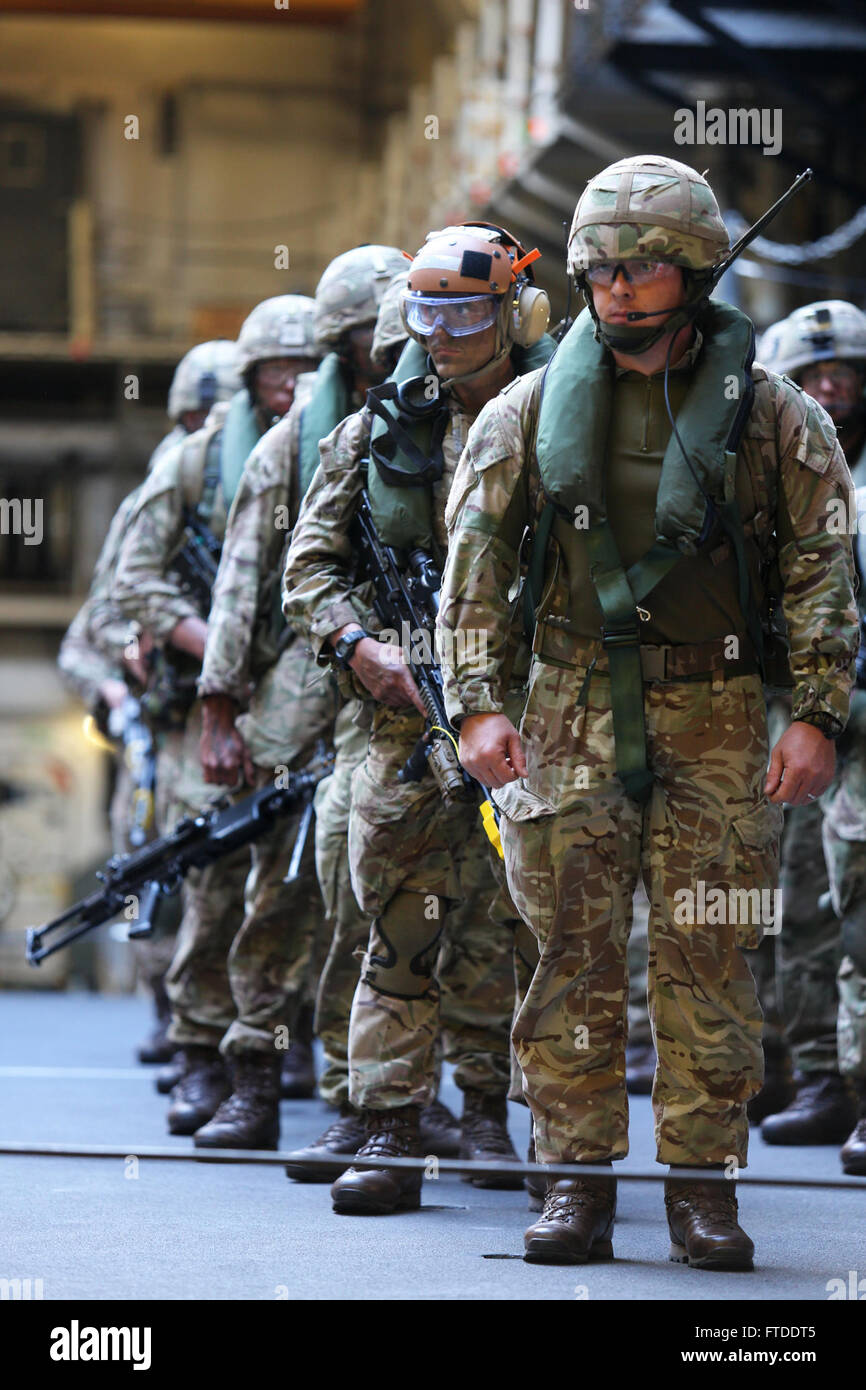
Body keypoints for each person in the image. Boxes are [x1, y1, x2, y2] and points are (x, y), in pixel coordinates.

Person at [436, 156, 858, 1268]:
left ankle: (702, 1189)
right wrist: (476, 706)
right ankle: (570, 1180)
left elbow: (821, 573)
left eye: (644, 269)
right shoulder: (525, 413)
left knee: (709, 954)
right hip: (567, 704)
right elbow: (472, 571)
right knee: (568, 954)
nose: (618, 289)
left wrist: (814, 712)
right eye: (601, 268)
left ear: (696, 274)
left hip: (720, 714)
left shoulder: (776, 421)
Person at [284, 222, 556, 1214]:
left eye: (463, 313)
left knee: (521, 924)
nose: (438, 335)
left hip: (534, 711)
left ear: (515, 315)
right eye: (423, 314)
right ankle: (391, 1124)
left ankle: (492, 1111)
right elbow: (307, 571)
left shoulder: (564, 420)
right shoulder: (367, 434)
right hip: (404, 721)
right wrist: (360, 645)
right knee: (400, 925)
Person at [193, 246, 408, 1148]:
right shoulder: (290, 444)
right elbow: (243, 580)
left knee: (379, 894)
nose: (397, 345)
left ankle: (380, 1087)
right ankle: (250, 1074)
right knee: (279, 893)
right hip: (295, 693)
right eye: (375, 333)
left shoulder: (428, 427)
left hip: (396, 690)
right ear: (345, 343)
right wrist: (220, 707)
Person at [113, 296, 321, 1140]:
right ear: (252, 375)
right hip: (224, 692)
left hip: (319, 690)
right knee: (216, 872)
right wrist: (217, 659)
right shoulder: (197, 464)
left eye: (311, 366)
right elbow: (133, 579)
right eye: (280, 368)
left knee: (314, 881)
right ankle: (200, 1050)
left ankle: (301, 1050)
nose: (294, 383)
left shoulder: (339, 440)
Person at [58, 340, 240, 1066]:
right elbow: (90, 630)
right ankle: (174, 1013)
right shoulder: (162, 493)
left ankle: (261, 1032)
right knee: (153, 861)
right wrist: (116, 680)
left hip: (252, 711)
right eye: (200, 415)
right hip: (166, 723)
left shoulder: (282, 474)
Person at [757, 301, 866, 1170]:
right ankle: (819, 1074)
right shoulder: (768, 465)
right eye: (817, 375)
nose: (833, 388)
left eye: (847, 375)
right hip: (794, 711)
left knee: (858, 897)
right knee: (797, 897)